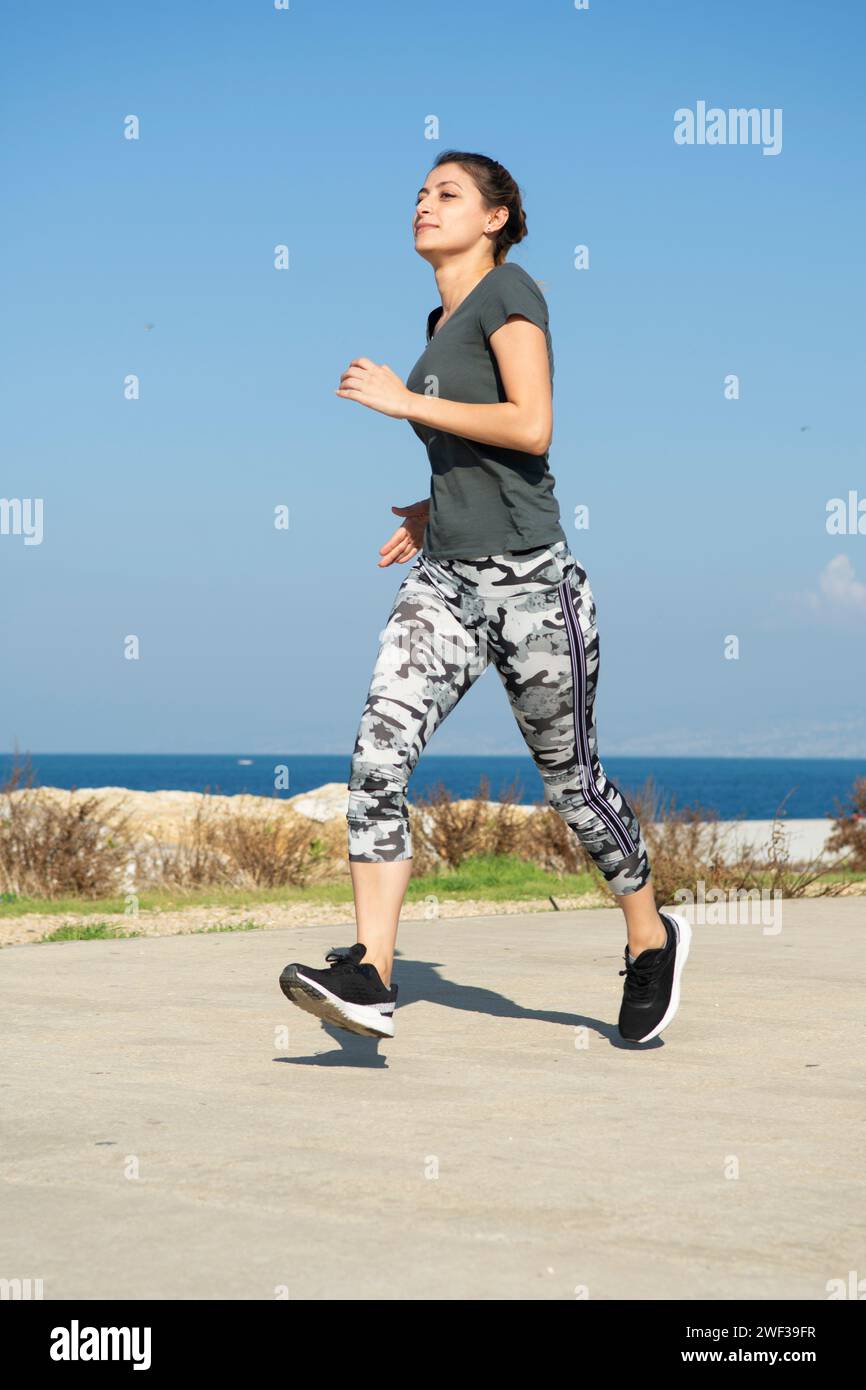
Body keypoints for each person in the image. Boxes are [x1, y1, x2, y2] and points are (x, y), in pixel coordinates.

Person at [279, 150, 690, 1044]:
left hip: (534, 586)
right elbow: (484, 451)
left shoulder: (514, 295)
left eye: (448, 193)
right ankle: (373, 973)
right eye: (420, 193)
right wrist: (436, 509)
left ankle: (651, 937)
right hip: (447, 581)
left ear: (496, 217)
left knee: (574, 786)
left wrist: (403, 405)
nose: (425, 205)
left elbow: (532, 425)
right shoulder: (439, 318)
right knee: (377, 760)